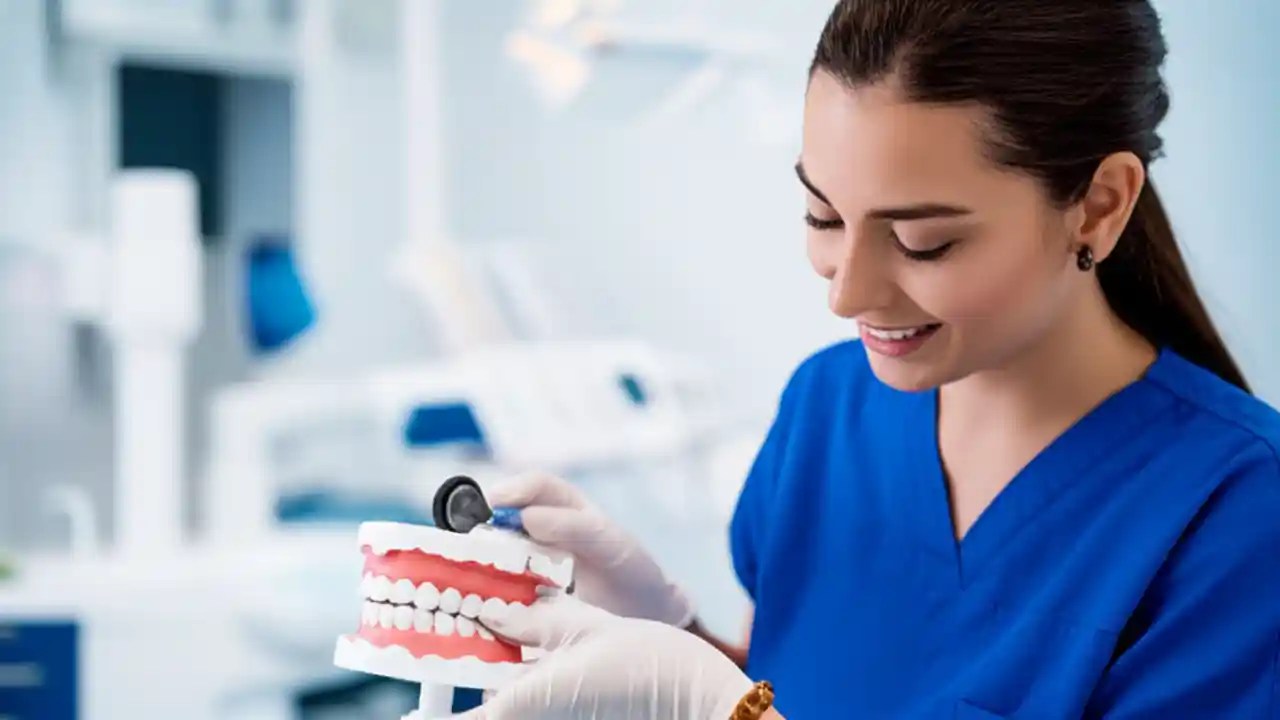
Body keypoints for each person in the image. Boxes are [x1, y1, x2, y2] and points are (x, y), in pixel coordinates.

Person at [462, 1, 1280, 717]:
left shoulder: (1236, 516)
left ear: (1099, 206)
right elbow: (798, 696)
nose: (847, 296)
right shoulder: (828, 408)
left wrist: (717, 712)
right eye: (823, 217)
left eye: (924, 242)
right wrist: (670, 636)